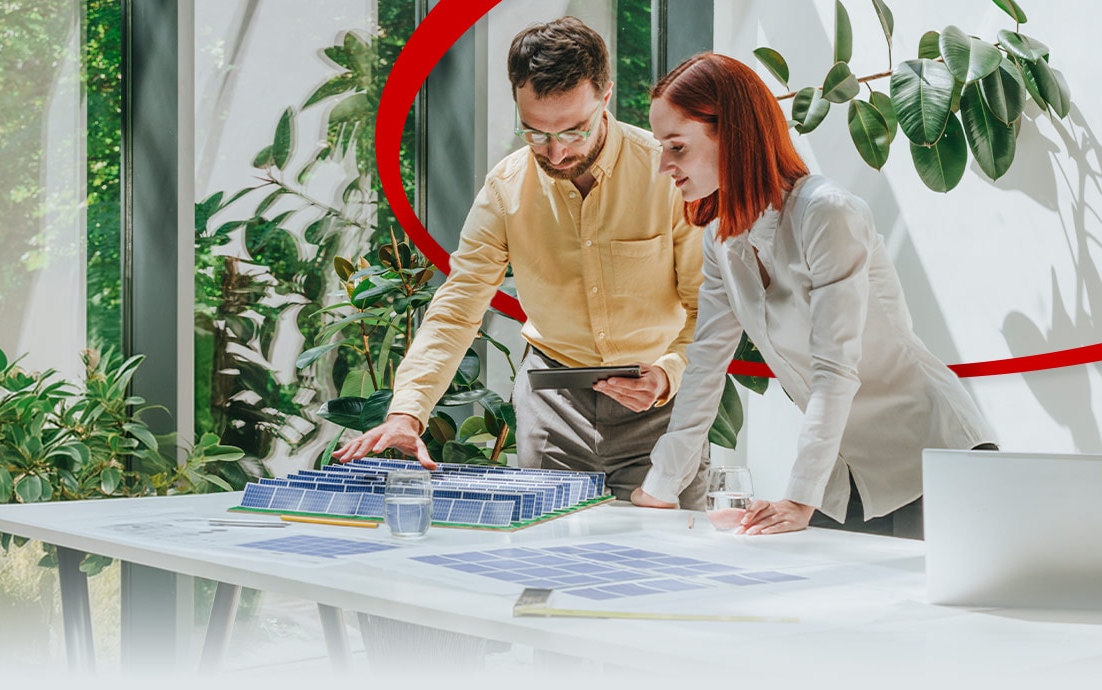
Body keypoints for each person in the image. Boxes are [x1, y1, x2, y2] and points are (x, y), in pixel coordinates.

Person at [333, 17, 708, 506]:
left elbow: (708, 310)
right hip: (554, 412)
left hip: (662, 409)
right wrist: (407, 412)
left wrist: (668, 372)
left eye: (575, 130)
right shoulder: (506, 188)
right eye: (535, 132)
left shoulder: (668, 176)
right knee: (548, 562)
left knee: (670, 565)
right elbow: (457, 307)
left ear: (606, 96)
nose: (555, 150)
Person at [625, 52, 996, 538]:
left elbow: (835, 368)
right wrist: (661, 486)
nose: (663, 166)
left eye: (676, 146)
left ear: (732, 135)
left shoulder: (827, 213)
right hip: (843, 476)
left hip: (929, 461)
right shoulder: (719, 239)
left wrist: (799, 497)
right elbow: (705, 367)